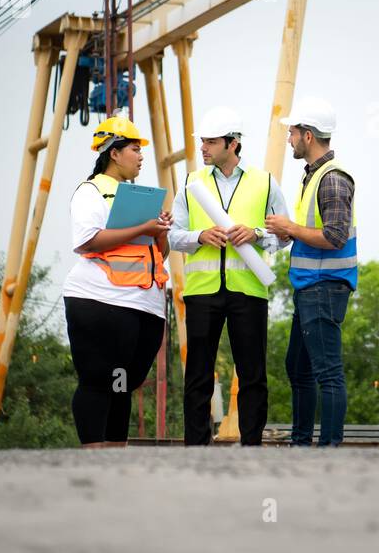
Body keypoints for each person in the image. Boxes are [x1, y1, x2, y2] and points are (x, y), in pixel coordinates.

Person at [169, 105, 290, 446]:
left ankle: (251, 447)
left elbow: (283, 235)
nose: (203, 148)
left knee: (252, 375)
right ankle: (196, 450)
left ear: (232, 143)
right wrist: (199, 236)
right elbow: (173, 235)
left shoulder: (265, 182)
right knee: (197, 376)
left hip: (248, 291)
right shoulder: (192, 183)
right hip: (202, 292)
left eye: (209, 141)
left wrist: (255, 233)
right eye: (202, 141)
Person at [61, 115, 169, 448]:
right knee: (97, 380)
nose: (141, 156)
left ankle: (115, 459)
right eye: (135, 149)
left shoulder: (140, 197)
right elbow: (88, 240)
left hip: (143, 303)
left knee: (124, 383)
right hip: (99, 299)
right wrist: (142, 228)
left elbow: (158, 254)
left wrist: (160, 230)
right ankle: (95, 457)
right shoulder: (91, 191)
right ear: (114, 152)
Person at [264, 97, 355, 448]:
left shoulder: (331, 179)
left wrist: (290, 226)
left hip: (324, 287)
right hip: (310, 288)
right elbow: (316, 231)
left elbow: (334, 236)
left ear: (308, 135)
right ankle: (301, 444)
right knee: (298, 368)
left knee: (327, 372)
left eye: (292, 132)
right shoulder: (315, 177)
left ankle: (328, 449)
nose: (289, 138)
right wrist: (291, 231)